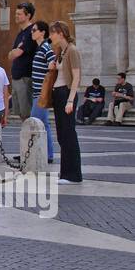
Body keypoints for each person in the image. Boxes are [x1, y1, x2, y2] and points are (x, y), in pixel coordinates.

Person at [49, 21, 82, 184]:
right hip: (58, 94)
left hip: (66, 94)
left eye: (52, 33)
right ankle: (65, 173)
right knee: (62, 135)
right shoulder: (61, 52)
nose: (50, 36)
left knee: (69, 133)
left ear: (61, 33)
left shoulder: (72, 51)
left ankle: (73, 175)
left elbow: (76, 77)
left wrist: (70, 100)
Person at [30, 20, 56, 164]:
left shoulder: (46, 48)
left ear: (42, 32)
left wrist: (47, 88)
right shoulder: (40, 48)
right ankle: (47, 153)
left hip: (41, 92)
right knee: (43, 123)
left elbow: (53, 66)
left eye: (34, 30)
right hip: (38, 92)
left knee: (38, 122)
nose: (32, 32)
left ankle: (46, 154)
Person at [8, 1, 36, 120]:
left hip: (25, 78)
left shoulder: (31, 32)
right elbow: (10, 55)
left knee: (27, 113)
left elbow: (17, 52)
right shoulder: (20, 34)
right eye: (16, 13)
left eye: (19, 14)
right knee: (20, 113)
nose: (16, 16)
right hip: (16, 77)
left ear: (28, 15)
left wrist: (16, 51)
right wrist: (15, 51)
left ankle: (32, 137)